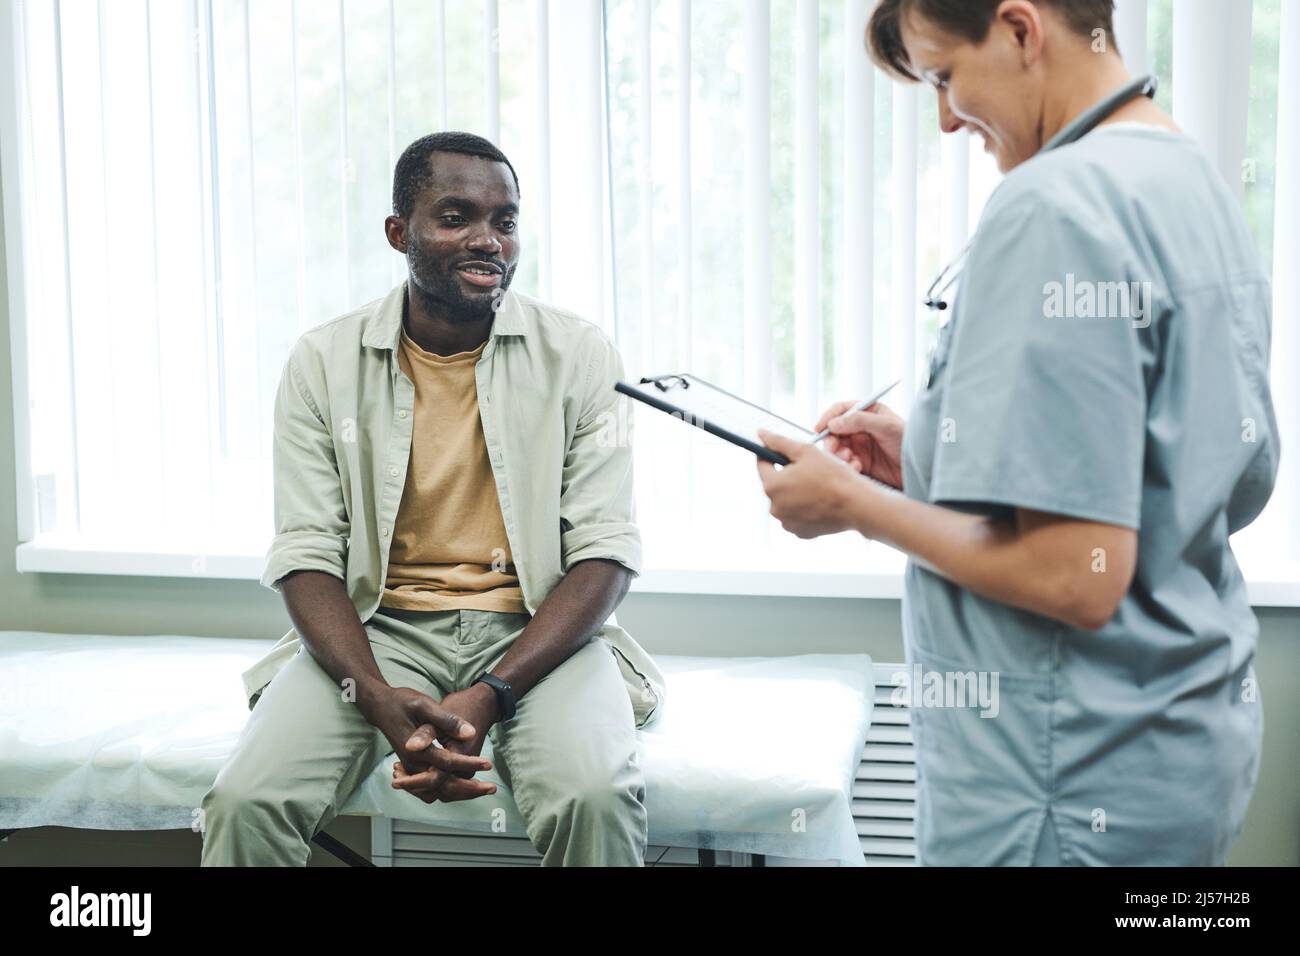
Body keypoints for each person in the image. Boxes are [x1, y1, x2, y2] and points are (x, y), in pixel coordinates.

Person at [755, 0, 1277, 865]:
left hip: (1062, 780)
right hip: (1178, 750)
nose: (946, 118)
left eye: (945, 77)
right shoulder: (1189, 177)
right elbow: (1181, 478)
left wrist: (850, 503)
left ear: (1021, 29)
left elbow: (1076, 573)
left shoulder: (1055, 205)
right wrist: (932, 460)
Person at [200, 131, 664, 867]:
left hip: (534, 631)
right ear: (399, 233)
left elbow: (605, 553)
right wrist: (374, 694)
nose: (488, 240)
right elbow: (307, 554)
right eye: (456, 218)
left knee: (595, 798)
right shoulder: (323, 361)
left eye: (505, 221)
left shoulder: (579, 354)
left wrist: (491, 693)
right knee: (244, 803)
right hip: (377, 629)